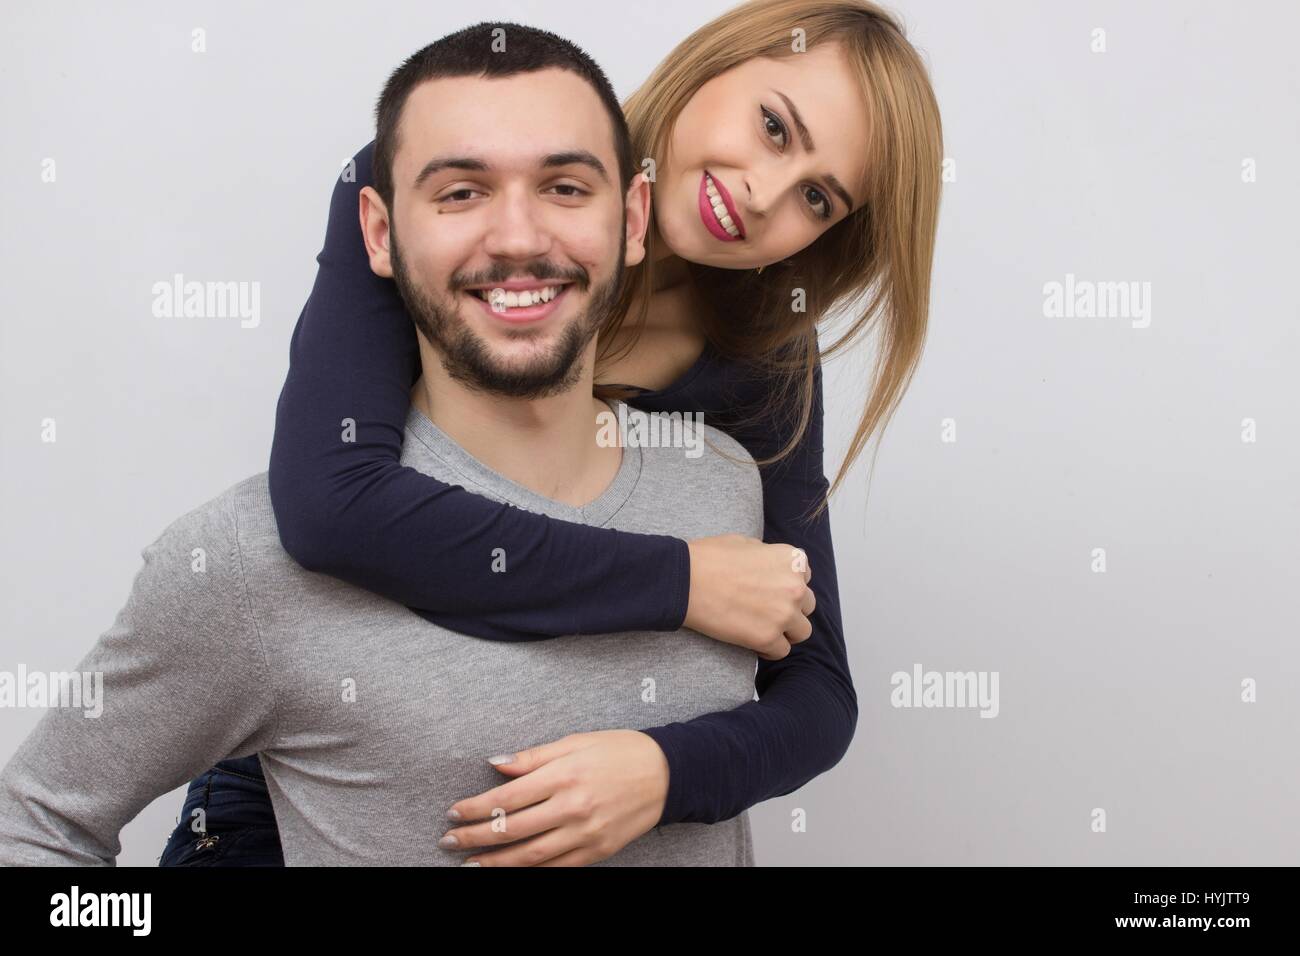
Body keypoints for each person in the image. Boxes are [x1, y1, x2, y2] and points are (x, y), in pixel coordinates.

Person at [166, 0, 944, 866]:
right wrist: (681, 580)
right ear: (715, 60)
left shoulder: (763, 352)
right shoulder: (447, 168)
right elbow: (329, 505)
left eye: (817, 197)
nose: (763, 193)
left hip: (556, 810)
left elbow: (818, 695)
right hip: (294, 800)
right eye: (772, 126)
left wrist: (662, 771)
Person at [0, 28, 772, 867]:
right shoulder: (246, 562)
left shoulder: (723, 488)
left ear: (631, 220)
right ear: (378, 232)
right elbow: (37, 826)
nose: (516, 238)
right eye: (460, 194)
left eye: (563, 186)